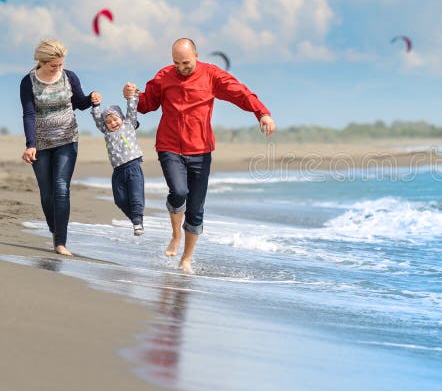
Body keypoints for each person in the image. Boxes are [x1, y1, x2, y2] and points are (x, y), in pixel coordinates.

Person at [124, 38, 275, 273]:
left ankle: (186, 258)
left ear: (196, 55)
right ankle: (175, 236)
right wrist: (133, 96)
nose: (181, 67)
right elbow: (147, 104)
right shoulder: (164, 76)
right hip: (169, 146)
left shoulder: (212, 75)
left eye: (185, 62)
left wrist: (262, 113)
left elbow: (241, 93)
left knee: (195, 208)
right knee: (179, 191)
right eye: (176, 63)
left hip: (201, 150)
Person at [20, 39, 100, 256]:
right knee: (47, 194)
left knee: (61, 188)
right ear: (41, 61)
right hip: (41, 144)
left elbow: (79, 103)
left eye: (61, 64)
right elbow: (28, 115)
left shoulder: (69, 77)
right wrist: (31, 145)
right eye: (53, 65)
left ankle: (60, 243)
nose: (58, 68)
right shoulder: (28, 82)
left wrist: (91, 98)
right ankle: (55, 231)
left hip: (67, 139)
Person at [90, 93, 145, 235]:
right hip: (118, 171)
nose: (113, 123)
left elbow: (132, 110)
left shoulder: (128, 125)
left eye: (115, 119)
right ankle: (136, 220)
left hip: (133, 167)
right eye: (108, 122)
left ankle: (138, 220)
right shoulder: (106, 132)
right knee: (120, 200)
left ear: (122, 118)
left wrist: (131, 98)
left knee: (136, 197)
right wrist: (96, 106)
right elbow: (97, 119)